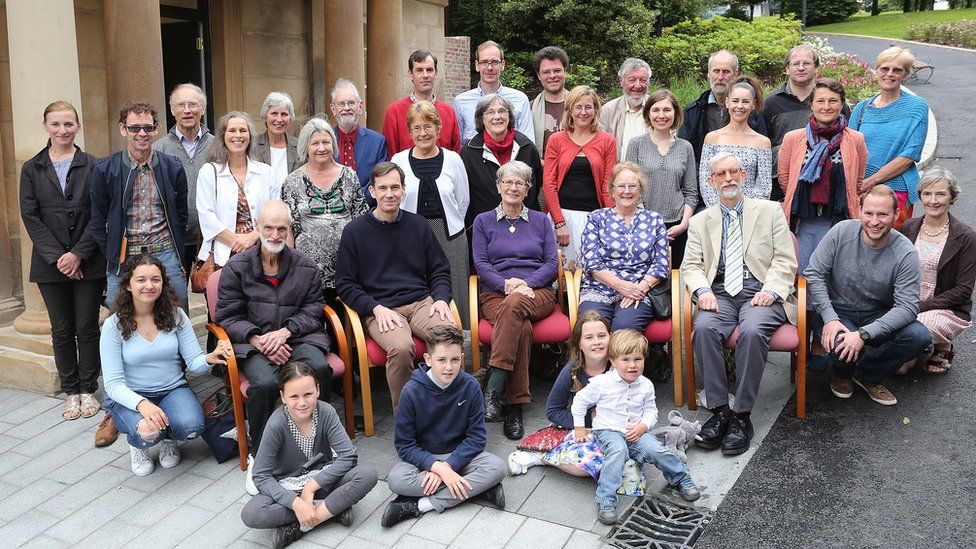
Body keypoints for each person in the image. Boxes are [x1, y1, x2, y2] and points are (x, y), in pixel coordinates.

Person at [681, 152, 797, 456]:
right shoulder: (699, 221)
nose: (729, 178)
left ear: (744, 176)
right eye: (721, 174)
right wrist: (702, 289)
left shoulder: (770, 211)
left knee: (754, 330)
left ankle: (742, 417)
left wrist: (772, 290)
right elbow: (691, 265)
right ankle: (720, 412)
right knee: (704, 328)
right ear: (711, 182)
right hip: (718, 293)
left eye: (734, 172)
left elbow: (786, 259)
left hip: (759, 291)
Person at [215, 200, 334, 494]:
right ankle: (261, 453)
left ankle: (320, 446)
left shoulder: (305, 267)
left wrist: (285, 332)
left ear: (289, 229)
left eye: (282, 228)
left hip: (297, 338)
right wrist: (258, 339)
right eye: (268, 227)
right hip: (253, 343)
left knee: (319, 368)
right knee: (266, 383)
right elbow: (227, 316)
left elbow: (314, 308)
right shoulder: (237, 267)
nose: (275, 234)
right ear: (257, 227)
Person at [335, 163, 457, 412]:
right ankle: (408, 419)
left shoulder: (418, 225)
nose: (389, 193)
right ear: (372, 192)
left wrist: (442, 299)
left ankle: (452, 409)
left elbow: (439, 269)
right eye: (383, 188)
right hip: (382, 309)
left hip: (422, 303)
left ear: (403, 190)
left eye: (394, 187)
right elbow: (345, 284)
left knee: (449, 336)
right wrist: (374, 308)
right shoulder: (354, 231)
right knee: (402, 348)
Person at [100, 254, 231, 476]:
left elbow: (193, 363)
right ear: (129, 285)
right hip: (133, 395)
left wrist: (210, 358)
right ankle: (139, 446)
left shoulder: (176, 315)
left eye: (155, 279)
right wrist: (142, 404)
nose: (149, 286)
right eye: (141, 280)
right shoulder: (114, 326)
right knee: (147, 432)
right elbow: (112, 384)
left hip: (173, 389)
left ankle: (169, 438)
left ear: (163, 283)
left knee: (192, 426)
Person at [805, 185, 931, 405]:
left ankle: (867, 374)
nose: (874, 221)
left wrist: (863, 335)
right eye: (869, 213)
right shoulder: (841, 232)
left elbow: (908, 307)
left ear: (895, 214)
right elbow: (814, 273)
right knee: (839, 346)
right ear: (860, 211)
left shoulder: (905, 252)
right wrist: (829, 318)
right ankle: (842, 373)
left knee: (919, 336)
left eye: (882, 214)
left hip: (877, 314)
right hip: (838, 313)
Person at [20, 101, 105, 421]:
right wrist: (59, 257)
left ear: (78, 126)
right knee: (61, 328)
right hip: (49, 264)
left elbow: (100, 214)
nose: (62, 130)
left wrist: (78, 254)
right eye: (56, 124)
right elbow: (30, 217)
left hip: (89, 261)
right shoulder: (32, 168)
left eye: (68, 124)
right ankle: (71, 391)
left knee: (87, 326)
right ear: (46, 127)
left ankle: (88, 387)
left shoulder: (93, 165)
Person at [506, 311, 650, 496]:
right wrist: (588, 422)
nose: (596, 342)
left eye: (602, 336)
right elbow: (553, 411)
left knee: (628, 469)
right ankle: (540, 456)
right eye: (589, 337)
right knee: (588, 465)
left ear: (611, 337)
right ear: (579, 344)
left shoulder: (622, 365)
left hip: (618, 431)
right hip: (582, 429)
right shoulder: (571, 372)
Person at [240, 362, 378, 549]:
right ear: (283, 396)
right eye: (294, 396)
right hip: (287, 485)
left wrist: (311, 488)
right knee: (252, 513)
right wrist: (296, 503)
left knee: (368, 474)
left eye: (308, 394)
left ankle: (302, 526)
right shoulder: (276, 424)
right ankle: (333, 508)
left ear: (318, 390)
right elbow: (261, 476)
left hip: (322, 480)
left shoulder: (326, 412)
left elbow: (348, 456)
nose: (302, 402)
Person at [381, 326, 507, 527]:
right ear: (428, 359)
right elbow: (405, 445)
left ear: (462, 358)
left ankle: (420, 506)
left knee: (497, 467)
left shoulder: (471, 386)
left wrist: (448, 467)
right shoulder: (411, 391)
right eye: (441, 360)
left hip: (460, 457)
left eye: (455, 360)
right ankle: (478, 489)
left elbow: (477, 438)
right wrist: (435, 466)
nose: (449, 367)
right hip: (424, 460)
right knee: (396, 480)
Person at [572, 329, 700, 525]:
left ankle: (680, 477)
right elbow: (580, 401)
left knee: (656, 449)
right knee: (617, 450)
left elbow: (651, 411)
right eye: (625, 360)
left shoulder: (646, 385)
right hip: (608, 430)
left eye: (638, 359)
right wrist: (579, 427)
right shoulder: (601, 383)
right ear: (613, 361)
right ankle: (606, 499)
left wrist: (644, 425)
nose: (632, 365)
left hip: (636, 432)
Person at [471, 161, 558, 440]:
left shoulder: (541, 220)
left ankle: (494, 385)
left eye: (519, 183)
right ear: (498, 187)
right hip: (496, 292)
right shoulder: (483, 221)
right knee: (518, 325)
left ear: (528, 189)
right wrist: (504, 284)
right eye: (507, 182)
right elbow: (481, 263)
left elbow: (551, 262)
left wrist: (527, 283)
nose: (513, 187)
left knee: (515, 306)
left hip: (538, 292)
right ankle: (515, 404)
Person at [90, 100, 189, 312]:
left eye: (148, 127)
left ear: (156, 129)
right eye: (135, 127)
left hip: (166, 252)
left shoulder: (172, 167)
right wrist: (112, 252)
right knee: (120, 320)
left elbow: (180, 215)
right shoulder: (105, 169)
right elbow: (97, 221)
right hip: (124, 256)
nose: (142, 133)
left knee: (177, 316)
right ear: (123, 129)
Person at [391, 101, 470, 323]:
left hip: (450, 237)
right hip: (409, 238)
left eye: (428, 126)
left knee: (455, 295)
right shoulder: (398, 161)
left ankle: (458, 345)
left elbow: (463, 201)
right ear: (409, 132)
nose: (423, 133)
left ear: (438, 128)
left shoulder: (454, 160)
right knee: (417, 291)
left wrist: (450, 227)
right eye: (417, 128)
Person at [779, 79, 868, 272]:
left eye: (833, 101)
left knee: (833, 273)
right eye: (820, 101)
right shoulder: (793, 138)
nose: (826, 107)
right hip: (803, 221)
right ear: (811, 104)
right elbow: (785, 179)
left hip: (838, 221)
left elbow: (857, 181)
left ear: (842, 104)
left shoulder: (856, 140)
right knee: (803, 272)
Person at [898, 168, 975, 374]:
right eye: (927, 194)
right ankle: (915, 347)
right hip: (908, 301)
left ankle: (943, 343)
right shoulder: (909, 227)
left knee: (912, 330)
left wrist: (920, 306)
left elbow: (963, 291)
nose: (933, 200)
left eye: (940, 194)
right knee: (900, 368)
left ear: (952, 196)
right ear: (920, 196)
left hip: (945, 307)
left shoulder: (966, 236)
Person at [282, 117, 367, 302]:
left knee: (346, 325)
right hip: (308, 271)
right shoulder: (292, 181)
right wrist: (289, 266)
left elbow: (362, 219)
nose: (321, 148)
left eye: (326, 142)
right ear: (306, 147)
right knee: (313, 322)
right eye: (315, 143)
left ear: (333, 144)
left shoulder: (349, 176)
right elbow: (288, 227)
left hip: (348, 267)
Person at [578, 162, 669, 332]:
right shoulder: (597, 218)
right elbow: (591, 262)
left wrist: (638, 289)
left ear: (640, 190)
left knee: (624, 330)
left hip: (638, 293)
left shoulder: (654, 220)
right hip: (598, 291)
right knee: (593, 331)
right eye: (621, 186)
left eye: (632, 186)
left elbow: (661, 264)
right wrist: (620, 286)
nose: (627, 191)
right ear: (612, 190)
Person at [850, 46, 929, 229]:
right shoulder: (861, 108)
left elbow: (911, 154)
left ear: (906, 75)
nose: (890, 74)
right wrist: (856, 187)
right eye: (885, 68)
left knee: (891, 245)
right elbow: (849, 150)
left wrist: (871, 182)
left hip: (897, 191)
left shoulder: (917, 107)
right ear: (876, 71)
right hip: (860, 192)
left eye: (897, 70)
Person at [543, 85, 617, 267]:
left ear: (595, 110)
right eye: (578, 107)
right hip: (562, 217)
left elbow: (609, 186)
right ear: (570, 110)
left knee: (592, 273)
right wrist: (559, 223)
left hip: (593, 219)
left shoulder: (607, 140)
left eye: (588, 107)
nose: (583, 112)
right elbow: (549, 183)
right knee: (561, 276)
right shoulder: (556, 140)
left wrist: (610, 221)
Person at [764, 45, 850, 201]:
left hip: (826, 182)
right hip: (780, 184)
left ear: (816, 67)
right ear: (787, 69)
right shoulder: (771, 103)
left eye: (807, 63)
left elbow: (846, 142)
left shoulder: (832, 103)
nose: (801, 68)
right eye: (796, 64)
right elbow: (763, 145)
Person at [196, 111, 277, 272]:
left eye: (243, 130)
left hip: (261, 254)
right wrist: (237, 242)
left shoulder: (266, 172)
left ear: (250, 136)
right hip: (221, 257)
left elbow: (275, 213)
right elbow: (206, 217)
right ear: (222, 136)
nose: (238, 135)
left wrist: (253, 237)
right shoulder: (209, 172)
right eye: (232, 130)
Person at [626, 88, 698, 266]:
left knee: (673, 280)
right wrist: (648, 221)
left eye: (667, 110)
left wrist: (684, 224)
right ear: (648, 114)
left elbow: (691, 192)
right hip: (641, 224)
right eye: (656, 110)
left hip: (676, 227)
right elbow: (630, 186)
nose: (661, 115)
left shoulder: (685, 147)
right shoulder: (636, 144)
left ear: (675, 113)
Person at [154, 83, 215, 273]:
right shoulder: (158, 150)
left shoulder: (218, 147)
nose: (187, 111)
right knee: (175, 299)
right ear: (172, 110)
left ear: (203, 109)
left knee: (216, 296)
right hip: (171, 239)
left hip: (211, 239)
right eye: (181, 105)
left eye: (193, 105)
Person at [460, 94, 542, 229]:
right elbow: (464, 194)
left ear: (509, 117)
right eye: (490, 112)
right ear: (482, 118)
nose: (497, 116)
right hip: (485, 227)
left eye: (502, 111)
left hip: (524, 225)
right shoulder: (469, 152)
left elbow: (535, 185)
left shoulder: (526, 147)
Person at [679, 50, 767, 167]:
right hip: (703, 180)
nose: (720, 77)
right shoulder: (693, 111)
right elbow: (685, 152)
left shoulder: (751, 112)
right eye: (716, 71)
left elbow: (760, 151)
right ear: (709, 73)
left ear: (736, 74)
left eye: (726, 72)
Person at [697, 76, 772, 209]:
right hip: (717, 214)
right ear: (727, 102)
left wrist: (744, 212)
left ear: (753, 105)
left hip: (751, 215)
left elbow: (763, 186)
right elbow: (706, 181)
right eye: (735, 101)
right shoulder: (712, 138)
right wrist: (722, 210)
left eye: (745, 102)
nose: (739, 106)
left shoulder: (762, 143)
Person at [382, 49, 462, 158]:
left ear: (436, 73)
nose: (425, 75)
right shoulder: (394, 111)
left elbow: (455, 152)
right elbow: (390, 154)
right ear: (410, 74)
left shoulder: (448, 112)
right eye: (419, 70)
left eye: (429, 70)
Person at [453, 40, 534, 146]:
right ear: (477, 65)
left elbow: (528, 142)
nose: (490, 68)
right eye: (484, 62)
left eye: (495, 62)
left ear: (502, 65)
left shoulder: (520, 99)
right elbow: (457, 144)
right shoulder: (461, 102)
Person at [329, 79, 388, 202]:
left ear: (360, 107)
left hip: (367, 211)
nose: (346, 108)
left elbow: (380, 179)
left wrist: (357, 203)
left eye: (351, 103)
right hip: (331, 212)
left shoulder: (377, 142)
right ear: (333, 109)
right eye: (341, 104)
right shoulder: (324, 143)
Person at [600, 58, 652, 159]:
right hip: (617, 172)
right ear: (621, 81)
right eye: (632, 80)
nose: (638, 85)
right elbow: (599, 147)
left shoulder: (659, 109)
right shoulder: (608, 111)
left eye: (643, 80)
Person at [253, 91, 302, 189]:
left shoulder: (300, 146)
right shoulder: (252, 145)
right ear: (265, 117)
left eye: (284, 114)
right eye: (274, 113)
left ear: (290, 118)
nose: (279, 119)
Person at [530, 46, 569, 158]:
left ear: (565, 72)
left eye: (557, 70)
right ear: (539, 76)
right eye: (546, 72)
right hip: (541, 171)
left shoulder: (580, 106)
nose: (552, 76)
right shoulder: (529, 108)